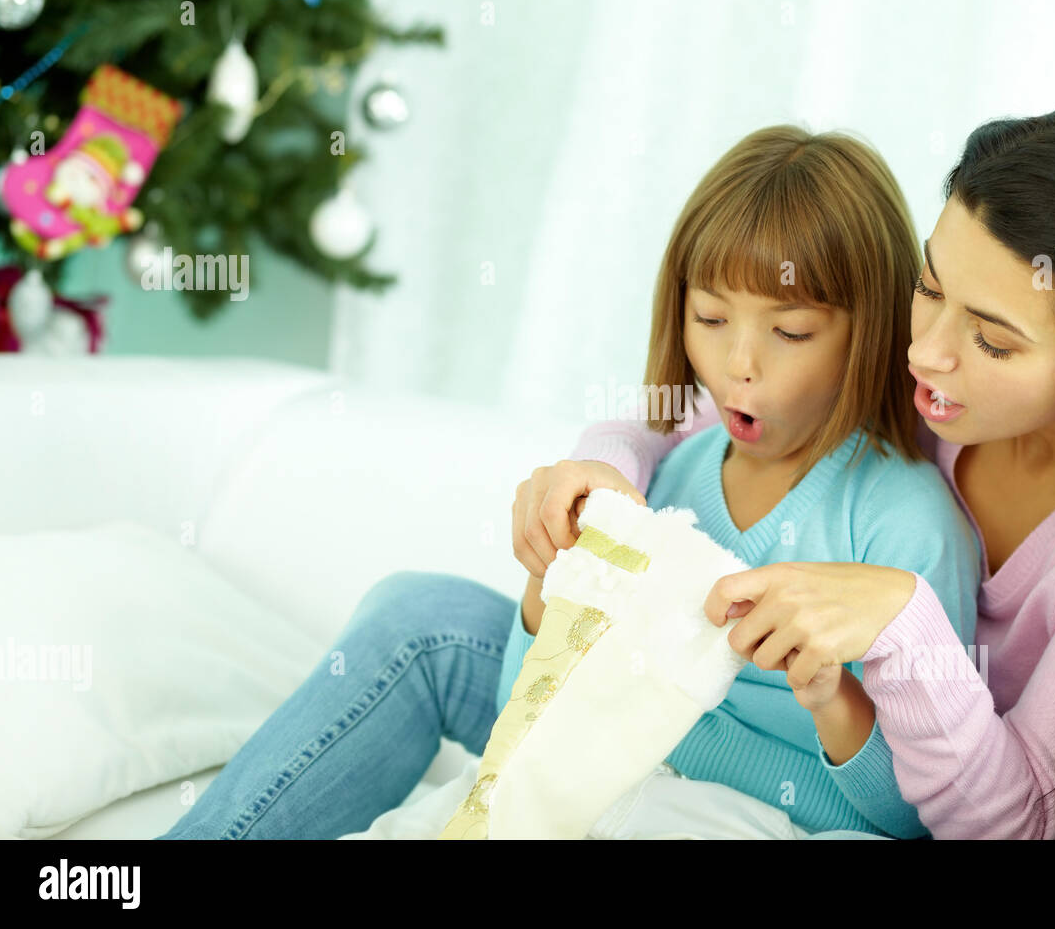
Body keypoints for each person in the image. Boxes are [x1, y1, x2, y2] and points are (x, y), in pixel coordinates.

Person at [158, 124, 979, 839]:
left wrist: (833, 701)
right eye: (710, 319)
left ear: (867, 331)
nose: (739, 367)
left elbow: (906, 819)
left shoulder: (904, 525)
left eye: (791, 331)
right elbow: (528, 702)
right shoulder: (677, 475)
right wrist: (544, 591)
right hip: (611, 778)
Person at [551, 105, 1055, 838]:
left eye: (991, 341)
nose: (924, 352)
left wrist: (907, 626)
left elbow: (1028, 824)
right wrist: (601, 466)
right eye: (930, 289)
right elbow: (700, 411)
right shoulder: (930, 397)